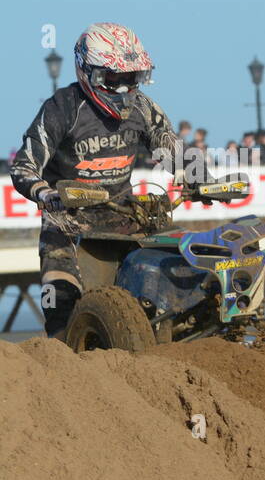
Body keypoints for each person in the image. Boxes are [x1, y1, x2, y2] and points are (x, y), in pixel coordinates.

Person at [8, 23, 198, 339]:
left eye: (132, 79)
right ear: (89, 72)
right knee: (60, 306)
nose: (124, 90)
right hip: (68, 221)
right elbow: (24, 167)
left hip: (126, 216)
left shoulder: (143, 107)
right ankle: (66, 361)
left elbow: (168, 144)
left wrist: (198, 176)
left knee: (187, 265)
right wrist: (47, 194)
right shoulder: (61, 107)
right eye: (114, 80)